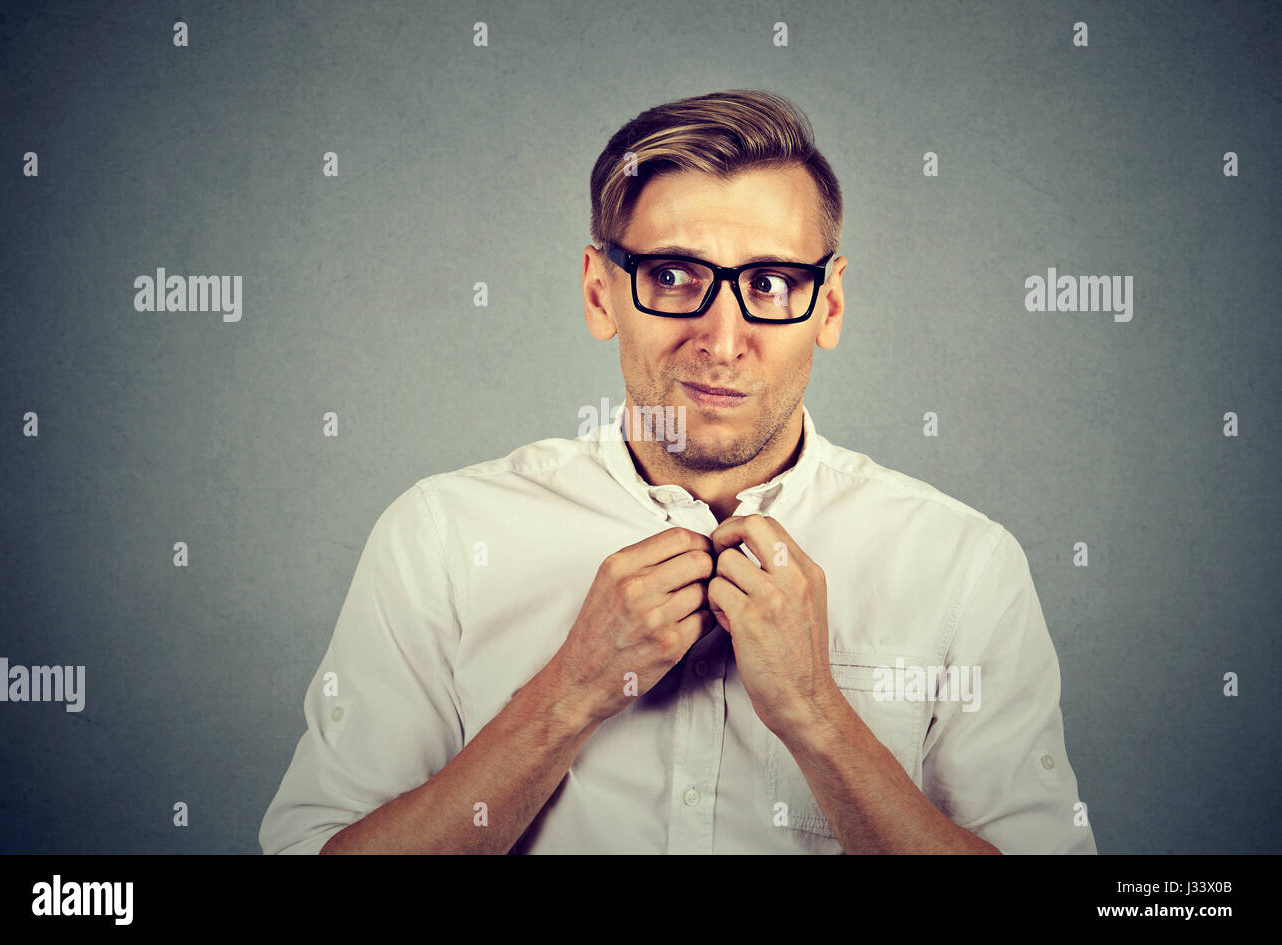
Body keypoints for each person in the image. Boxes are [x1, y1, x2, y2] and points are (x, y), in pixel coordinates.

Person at [260, 89, 1097, 854]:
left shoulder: (964, 566)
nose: (722, 339)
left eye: (770, 282)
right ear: (599, 292)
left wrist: (817, 715)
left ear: (829, 306)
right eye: (672, 276)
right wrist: (568, 692)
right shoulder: (441, 536)